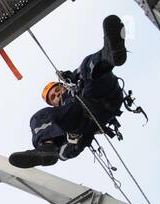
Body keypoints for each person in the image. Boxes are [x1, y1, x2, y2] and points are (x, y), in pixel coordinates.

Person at [9, 15, 130, 169]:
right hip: (87, 117)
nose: (57, 95)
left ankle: (110, 55)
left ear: (63, 86)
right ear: (53, 104)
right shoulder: (62, 115)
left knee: (86, 66)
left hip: (101, 92)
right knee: (38, 117)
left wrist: (70, 76)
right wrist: (74, 140)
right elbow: (66, 154)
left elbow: (81, 75)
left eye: (57, 89)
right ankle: (46, 149)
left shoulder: (76, 84)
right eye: (52, 97)